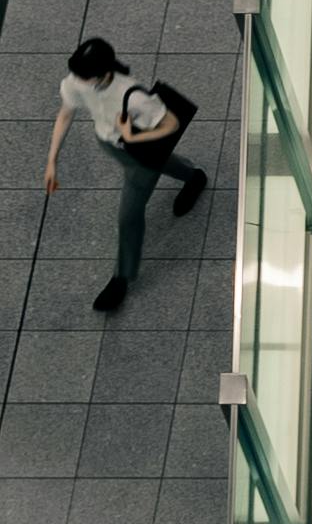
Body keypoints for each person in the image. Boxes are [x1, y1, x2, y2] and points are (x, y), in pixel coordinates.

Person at [45, 37, 207, 318]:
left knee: (128, 217)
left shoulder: (132, 95)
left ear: (104, 73)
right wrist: (52, 160)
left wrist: (132, 135)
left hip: (135, 154)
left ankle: (122, 277)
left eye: (84, 76)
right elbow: (65, 113)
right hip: (112, 144)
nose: (77, 82)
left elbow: (171, 123)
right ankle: (193, 177)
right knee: (161, 162)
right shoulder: (77, 80)